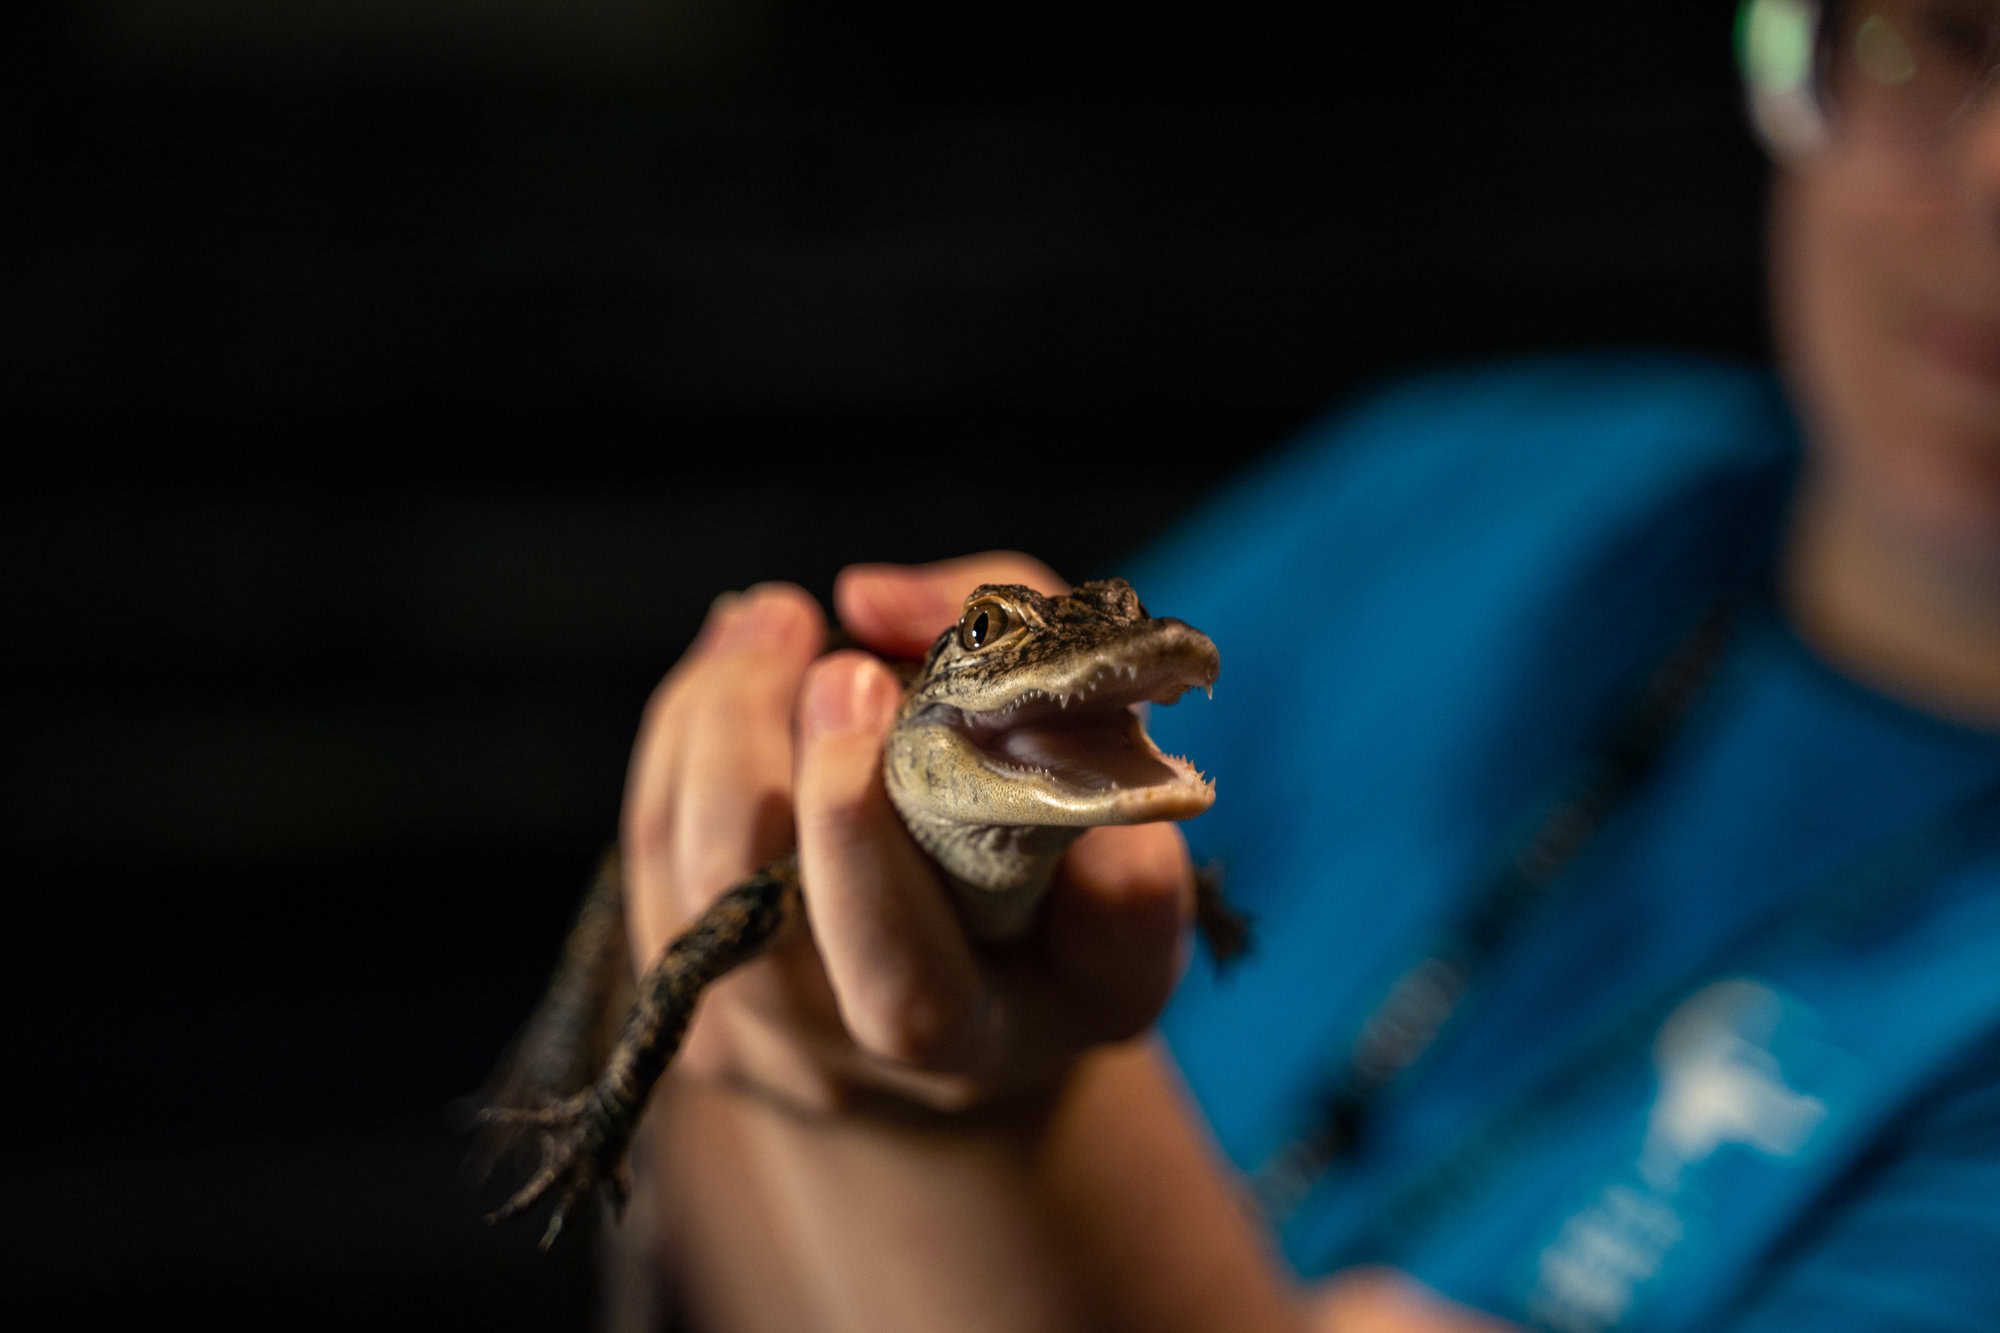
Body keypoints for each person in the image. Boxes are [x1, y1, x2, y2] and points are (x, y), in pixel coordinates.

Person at [610, 3, 2000, 1327]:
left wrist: (960, 1092)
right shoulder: (1471, 494)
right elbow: (684, 1073)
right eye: (1948, 32)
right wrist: (796, 1017)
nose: (1993, 176)